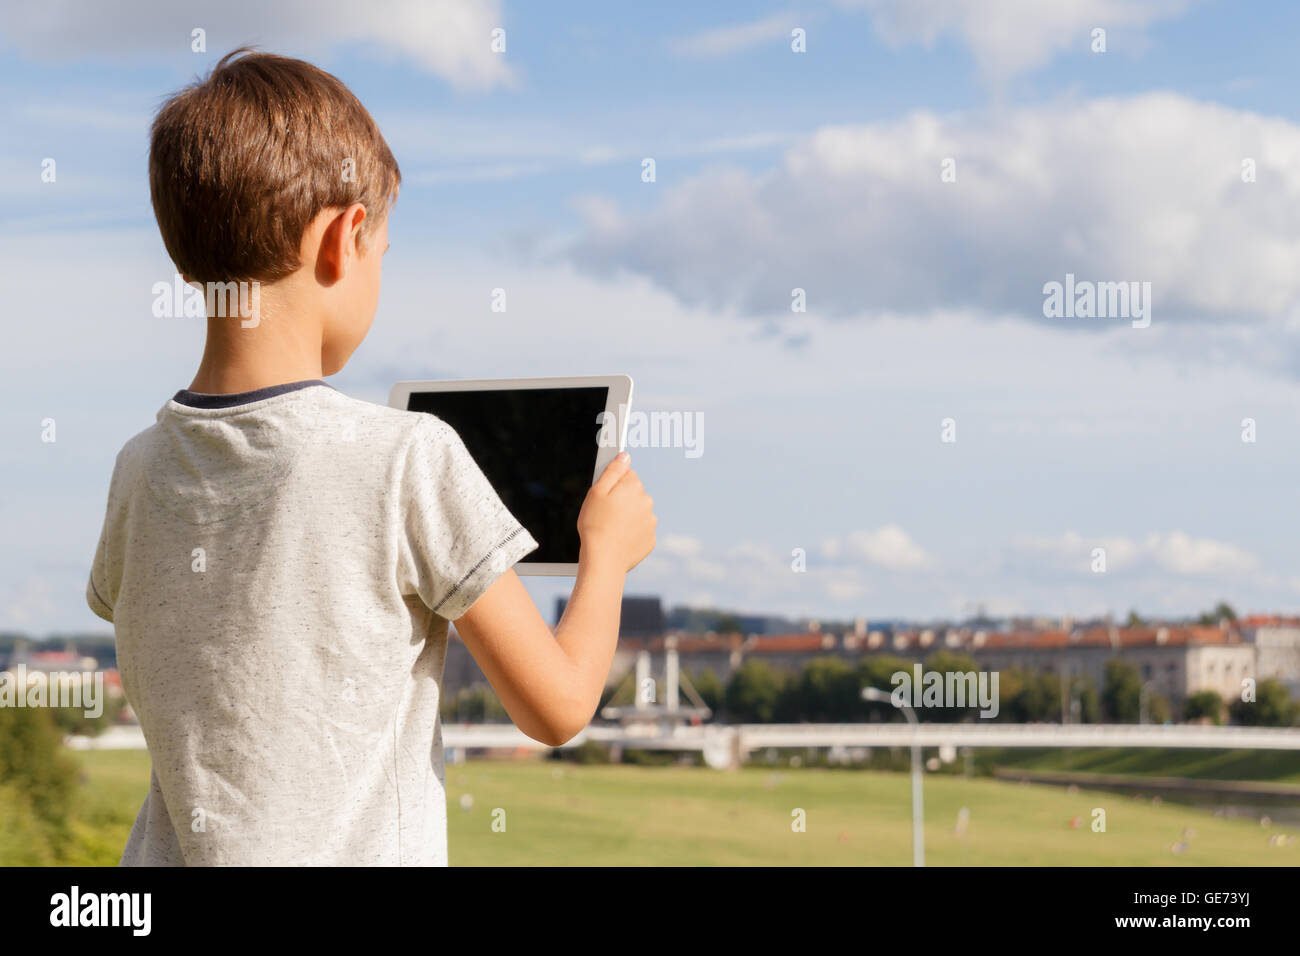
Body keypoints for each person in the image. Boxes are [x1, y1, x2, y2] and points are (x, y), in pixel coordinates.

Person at [86, 48, 656, 866]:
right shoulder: (408, 459)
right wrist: (607, 555)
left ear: (183, 258)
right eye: (382, 252)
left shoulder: (135, 471)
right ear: (344, 238)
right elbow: (558, 708)